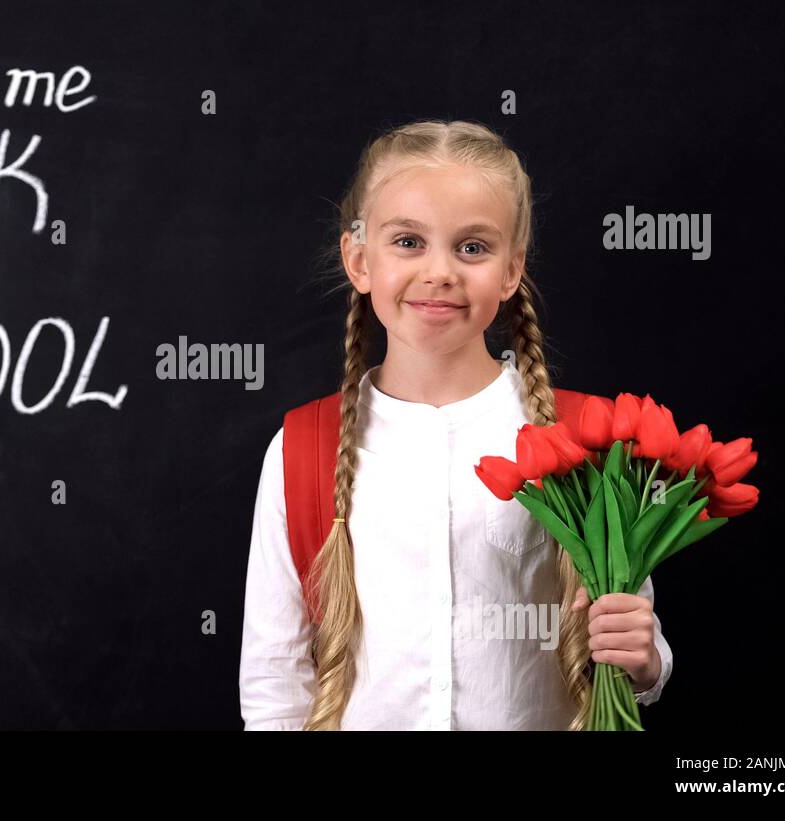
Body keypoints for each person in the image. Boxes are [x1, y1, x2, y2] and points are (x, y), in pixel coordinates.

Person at [239, 119, 672, 730]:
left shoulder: (589, 441)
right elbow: (274, 681)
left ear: (511, 270)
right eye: (409, 242)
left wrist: (646, 658)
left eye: (472, 247)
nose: (440, 271)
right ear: (359, 260)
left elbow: (632, 647)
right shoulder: (302, 450)